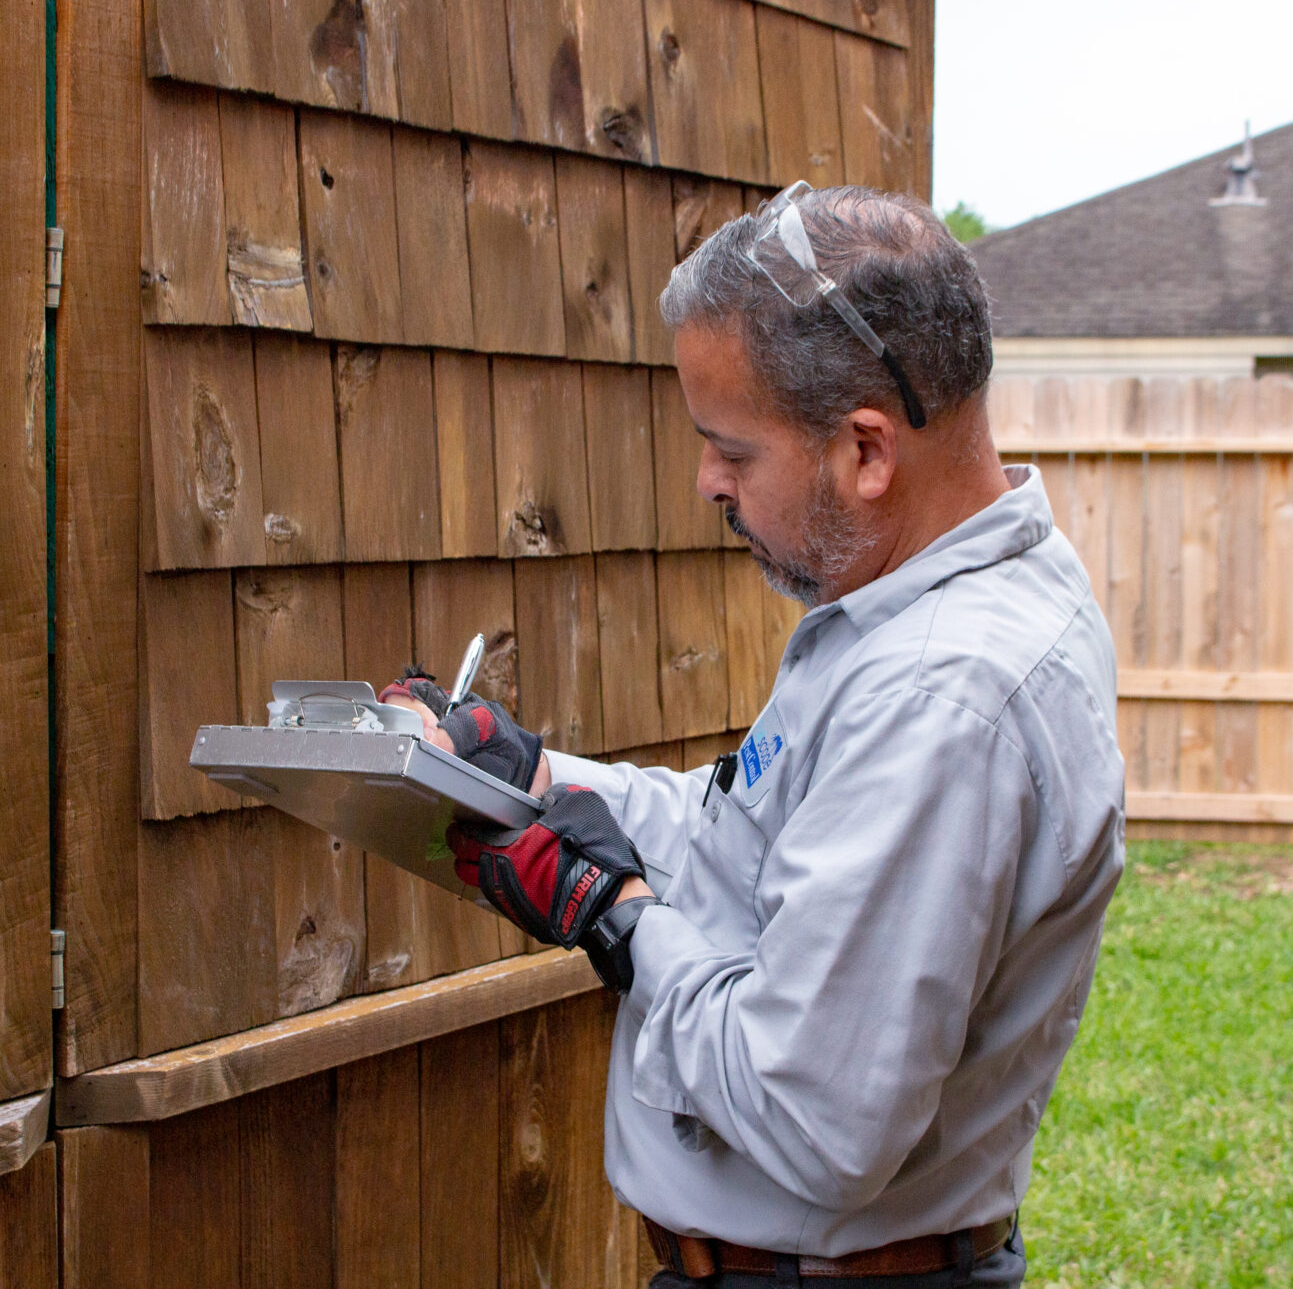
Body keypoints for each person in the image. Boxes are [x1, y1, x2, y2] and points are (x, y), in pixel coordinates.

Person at [383, 183, 1125, 1287]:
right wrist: (533, 777)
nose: (705, 483)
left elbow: (812, 1116)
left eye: (731, 449)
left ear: (865, 451)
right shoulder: (911, 608)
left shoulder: (938, 697)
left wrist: (613, 918)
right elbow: (752, 836)